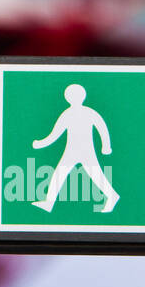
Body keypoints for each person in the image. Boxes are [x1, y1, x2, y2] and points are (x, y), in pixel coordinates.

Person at [31, 83, 120, 213]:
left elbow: (101, 127)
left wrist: (106, 146)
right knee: (60, 174)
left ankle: (112, 196)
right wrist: (105, 146)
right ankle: (49, 203)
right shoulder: (72, 113)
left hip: (85, 151)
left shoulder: (79, 113)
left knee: (93, 175)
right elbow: (55, 134)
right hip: (72, 151)